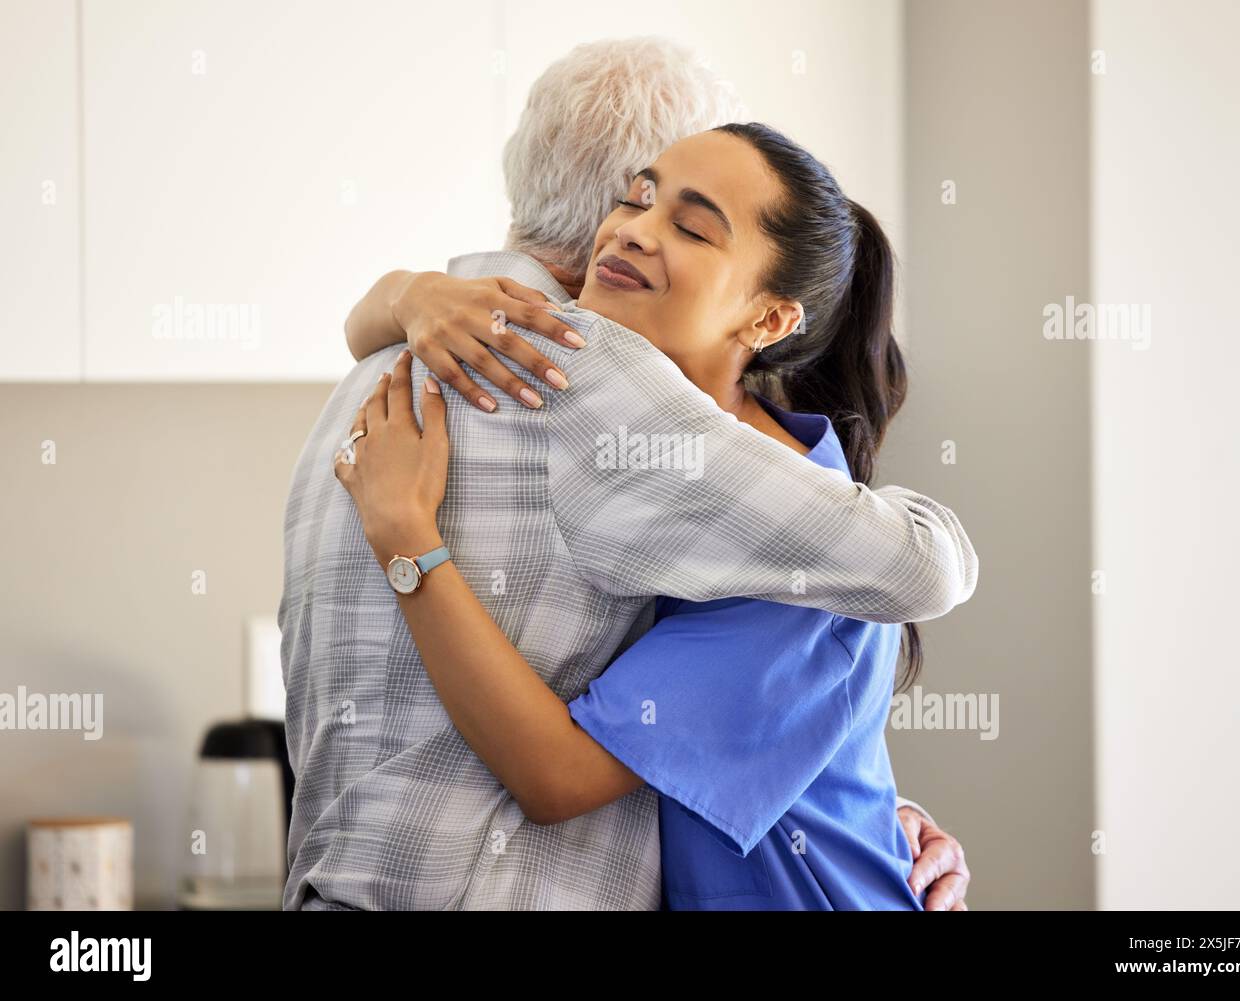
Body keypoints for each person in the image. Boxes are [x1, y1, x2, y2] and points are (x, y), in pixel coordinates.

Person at [281, 38, 974, 911]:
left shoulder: (376, 369)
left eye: (690, 224)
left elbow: (645, 750)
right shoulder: (590, 379)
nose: (640, 228)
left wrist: (404, 300)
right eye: (637, 198)